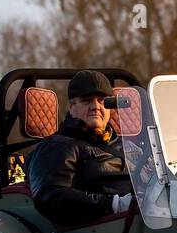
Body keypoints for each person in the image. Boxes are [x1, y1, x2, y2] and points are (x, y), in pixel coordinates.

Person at [25, 70, 134, 225]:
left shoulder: (128, 145)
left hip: (140, 221)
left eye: (102, 101)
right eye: (86, 100)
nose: (95, 106)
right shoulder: (58, 146)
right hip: (102, 231)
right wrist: (115, 205)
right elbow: (50, 197)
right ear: (71, 106)